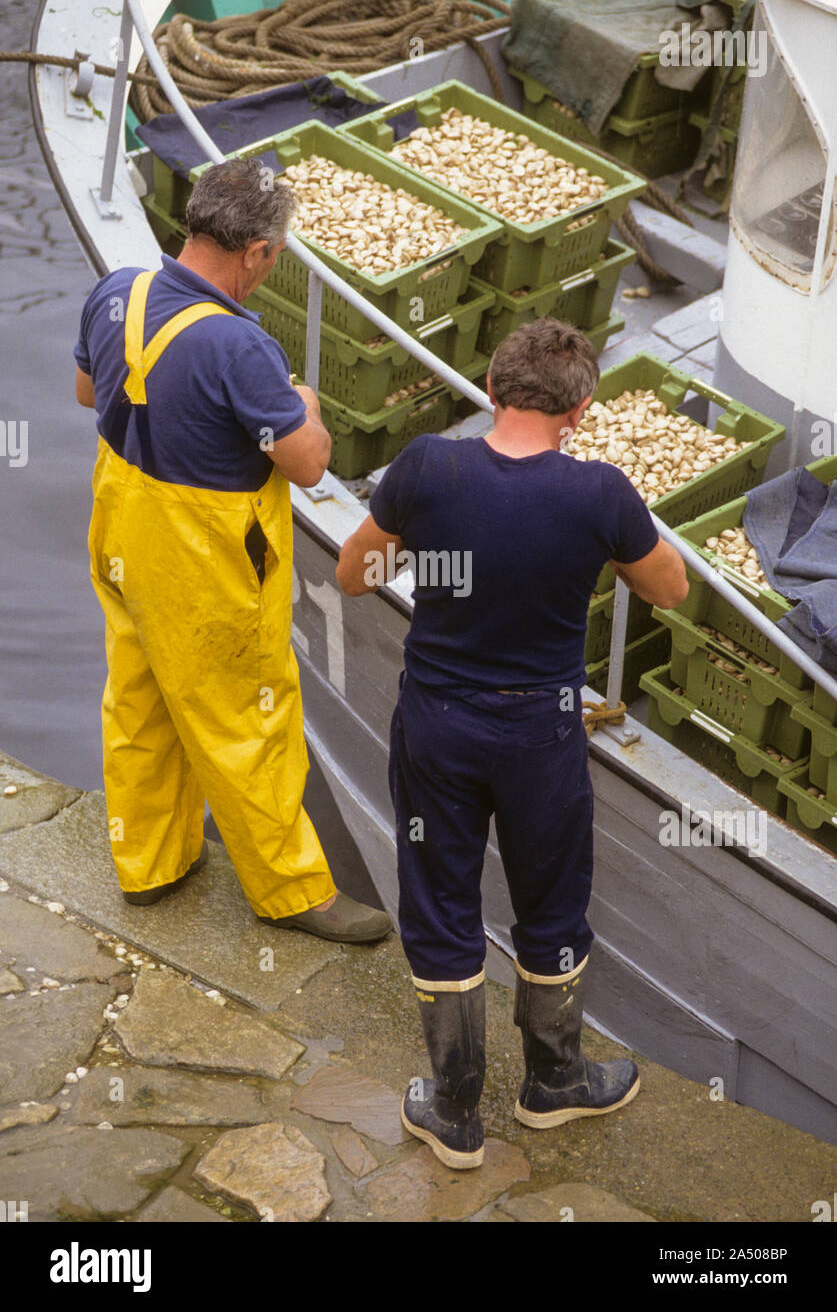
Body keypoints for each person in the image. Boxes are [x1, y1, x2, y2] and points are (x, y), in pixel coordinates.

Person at [336, 319, 688, 1167]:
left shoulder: (426, 467)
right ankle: (553, 1085)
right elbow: (669, 589)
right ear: (581, 408)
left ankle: (454, 1113)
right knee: (552, 900)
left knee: (440, 899)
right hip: (540, 732)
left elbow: (356, 576)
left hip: (438, 725)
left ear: (489, 390)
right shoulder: (599, 492)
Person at [74, 157, 390, 945]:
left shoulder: (118, 292)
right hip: (204, 561)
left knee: (139, 699)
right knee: (248, 721)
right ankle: (292, 894)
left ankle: (148, 865)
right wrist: (304, 405)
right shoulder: (239, 347)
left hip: (121, 529)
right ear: (256, 253)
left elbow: (89, 394)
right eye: (273, 256)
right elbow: (307, 464)